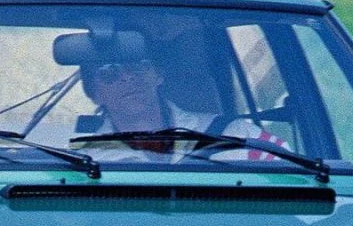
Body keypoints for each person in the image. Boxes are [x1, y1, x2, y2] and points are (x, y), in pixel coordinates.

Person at [78, 56, 289, 161]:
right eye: (109, 73)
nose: (128, 77)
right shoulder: (86, 160)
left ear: (159, 75)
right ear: (94, 94)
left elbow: (296, 178)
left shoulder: (233, 133)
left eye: (139, 65)